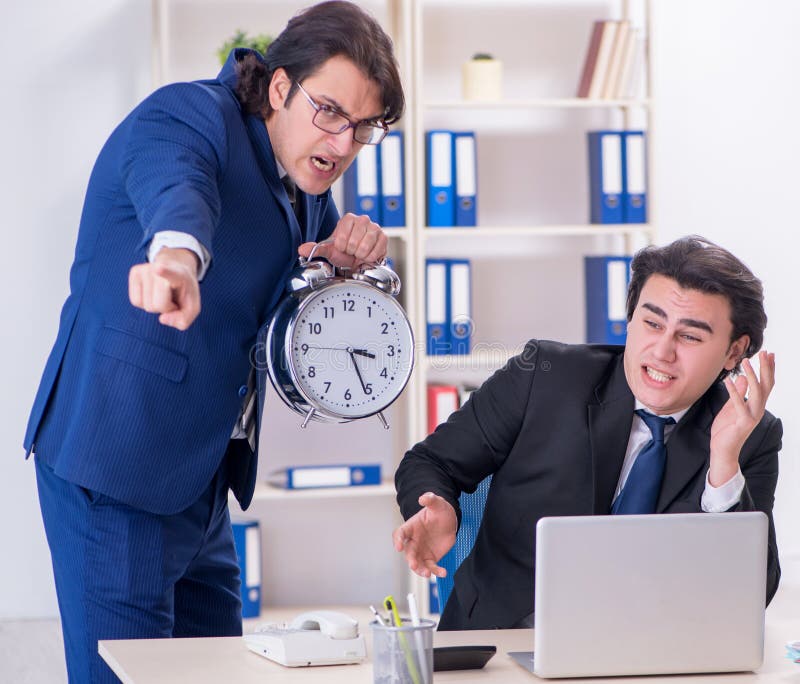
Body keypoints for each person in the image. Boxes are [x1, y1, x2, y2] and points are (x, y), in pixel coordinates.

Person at [24, 2, 404, 680]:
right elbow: (179, 194)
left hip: (202, 482)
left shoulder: (305, 181)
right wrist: (175, 258)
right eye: (330, 113)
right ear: (280, 87)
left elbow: (300, 312)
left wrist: (357, 261)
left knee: (217, 671)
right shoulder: (187, 118)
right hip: (120, 469)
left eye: (363, 127)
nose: (344, 144)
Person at [393, 236, 781, 631]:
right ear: (630, 320)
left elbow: (752, 593)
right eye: (652, 323)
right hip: (508, 641)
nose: (662, 351)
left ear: (734, 352)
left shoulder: (750, 433)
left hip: (652, 654)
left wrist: (724, 465)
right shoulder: (543, 377)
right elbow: (431, 461)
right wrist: (434, 506)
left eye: (690, 337)